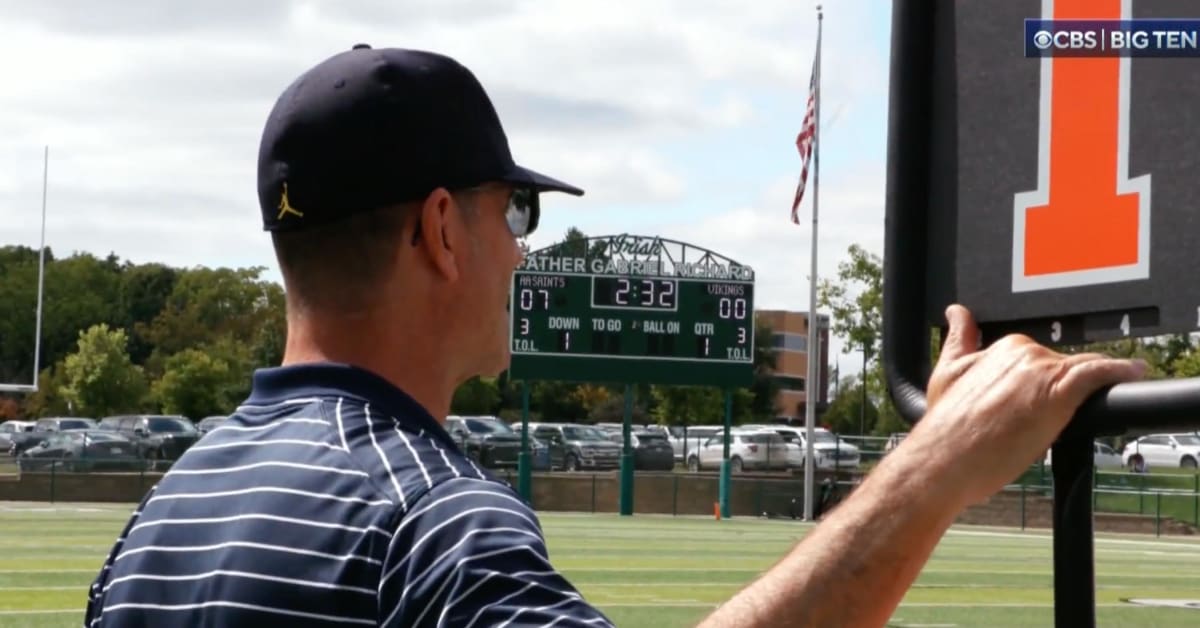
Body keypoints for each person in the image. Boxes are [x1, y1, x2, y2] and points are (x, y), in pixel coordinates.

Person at [82, 44, 1149, 628]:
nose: (520, 252)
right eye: (516, 213)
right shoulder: (430, 519)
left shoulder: (159, 522)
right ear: (440, 230)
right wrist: (935, 465)